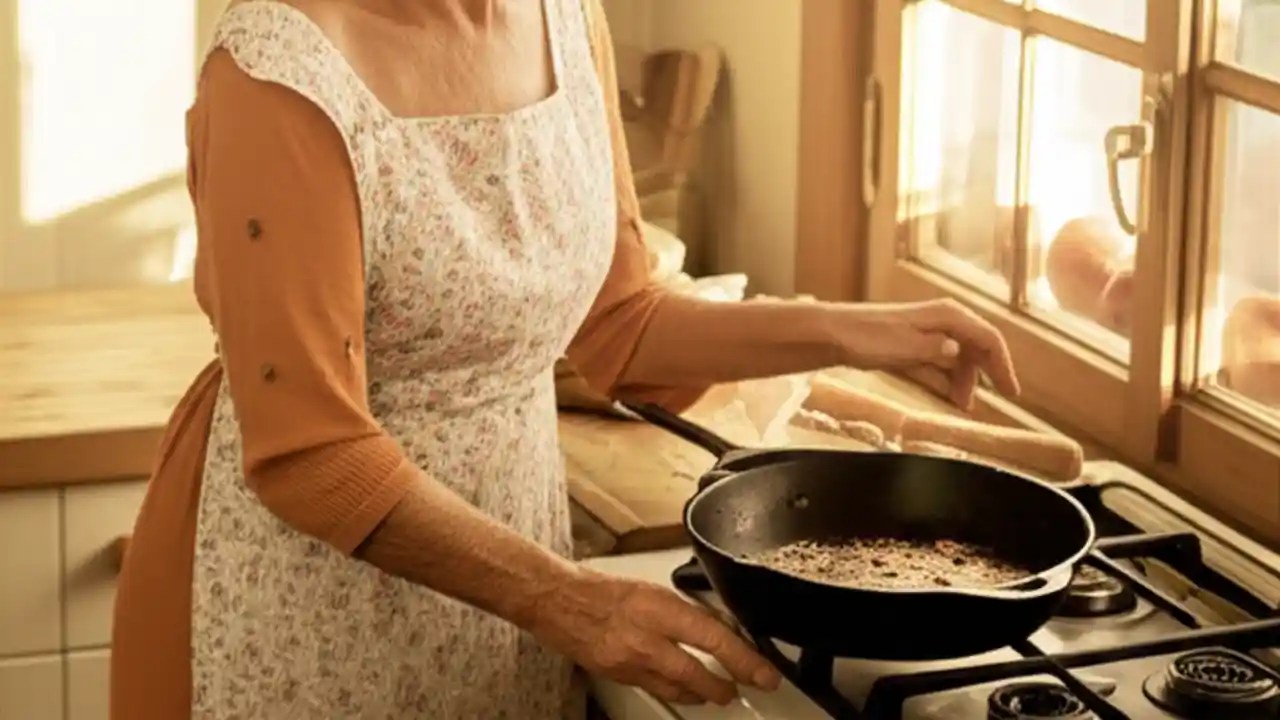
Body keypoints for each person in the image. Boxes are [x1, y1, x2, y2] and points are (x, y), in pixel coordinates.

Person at [110, 0, 1021, 717]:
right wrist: (569, 602)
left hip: (508, 586)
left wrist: (853, 329)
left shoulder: (564, 18)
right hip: (314, 613)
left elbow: (622, 325)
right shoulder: (278, 69)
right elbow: (310, 454)